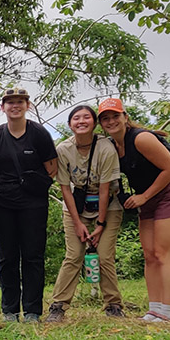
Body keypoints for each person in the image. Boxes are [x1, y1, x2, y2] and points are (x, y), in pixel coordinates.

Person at [98, 98, 170, 322]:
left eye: (115, 116)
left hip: (169, 192)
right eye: (105, 118)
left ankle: (167, 312)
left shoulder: (141, 139)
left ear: (125, 117)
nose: (111, 121)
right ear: (101, 124)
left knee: (163, 253)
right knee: (149, 254)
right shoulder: (112, 146)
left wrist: (144, 196)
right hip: (146, 198)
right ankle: (154, 309)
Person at [46, 105, 125, 322]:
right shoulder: (63, 149)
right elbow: (64, 188)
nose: (81, 122)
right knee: (73, 256)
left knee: (105, 256)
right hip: (75, 207)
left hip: (108, 206)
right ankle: (58, 306)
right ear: (70, 124)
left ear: (94, 122)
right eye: (76, 118)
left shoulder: (106, 148)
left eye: (87, 117)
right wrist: (77, 222)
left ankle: (114, 304)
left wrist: (100, 224)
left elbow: (105, 188)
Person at [0, 87, 58, 322]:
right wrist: (9, 186)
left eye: (20, 102)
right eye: (10, 102)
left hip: (33, 204)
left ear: (28, 105)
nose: (15, 106)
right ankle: (9, 310)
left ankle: (32, 310)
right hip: (2, 203)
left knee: (33, 255)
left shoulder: (38, 133)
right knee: (7, 256)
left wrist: (29, 186)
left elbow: (51, 168)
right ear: (2, 107)